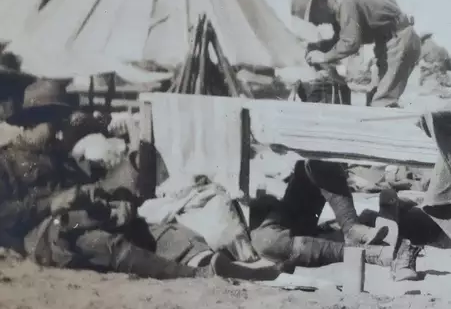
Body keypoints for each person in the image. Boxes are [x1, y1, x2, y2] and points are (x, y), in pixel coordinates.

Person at [0, 79, 276, 282]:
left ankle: (206, 259)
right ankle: (195, 274)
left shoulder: (62, 158)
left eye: (64, 123)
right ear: (28, 124)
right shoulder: (6, 163)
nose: (63, 133)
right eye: (54, 125)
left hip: (81, 221)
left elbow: (95, 190)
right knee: (98, 241)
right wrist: (51, 204)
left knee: (147, 224)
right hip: (46, 238)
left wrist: (116, 201)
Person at [248, 160, 423, 281]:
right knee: (267, 242)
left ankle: (353, 226)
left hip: (276, 216)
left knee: (314, 162)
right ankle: (377, 254)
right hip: (265, 237)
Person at [290, 0, 421, 108]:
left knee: (382, 102)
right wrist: (319, 46)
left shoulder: (347, 4)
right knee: (374, 98)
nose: (316, 24)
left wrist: (323, 57)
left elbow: (351, 43)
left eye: (313, 18)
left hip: (399, 40)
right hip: (390, 42)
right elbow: (341, 40)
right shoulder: (340, 10)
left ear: (319, 3)